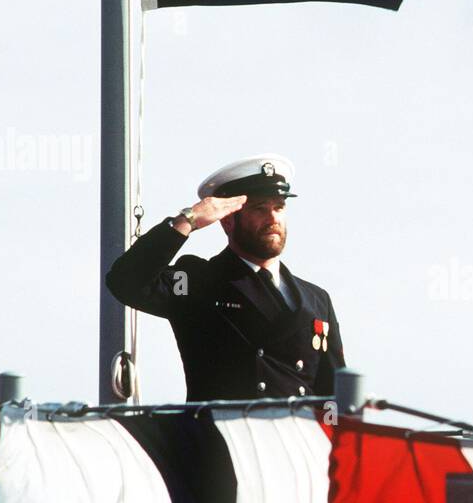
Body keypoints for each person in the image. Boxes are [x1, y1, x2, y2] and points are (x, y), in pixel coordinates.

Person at [105, 154, 345, 401]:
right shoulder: (197, 283)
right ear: (228, 221)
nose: (273, 218)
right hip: (224, 434)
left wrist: (336, 437)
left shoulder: (316, 299)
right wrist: (189, 220)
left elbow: (334, 391)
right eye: (259, 208)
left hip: (298, 436)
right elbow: (126, 282)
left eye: (279, 207)